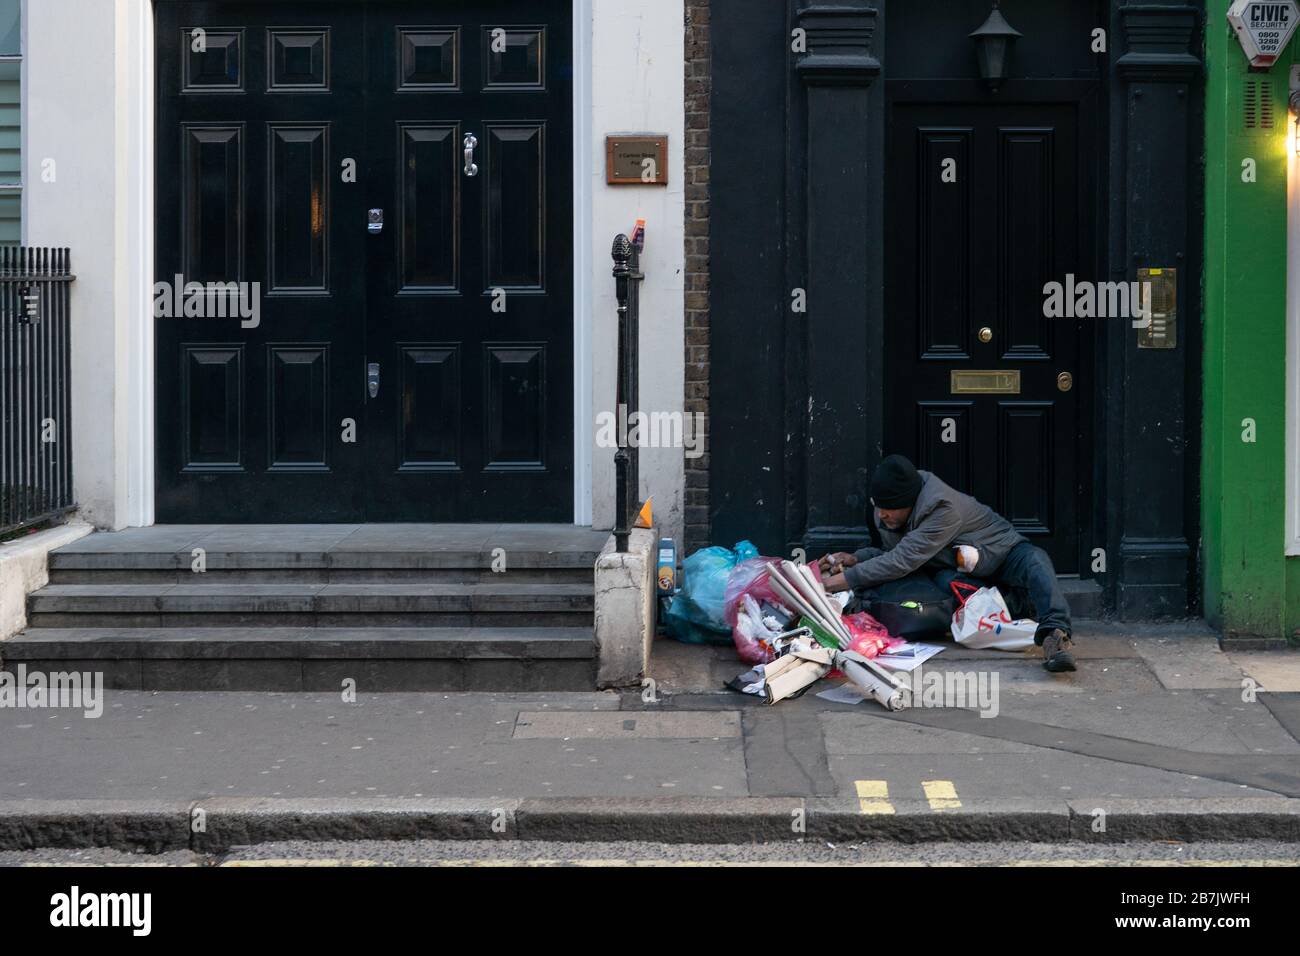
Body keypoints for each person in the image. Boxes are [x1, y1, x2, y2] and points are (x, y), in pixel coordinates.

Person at [818, 454, 1077, 673]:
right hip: (957, 569)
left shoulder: (942, 507)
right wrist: (856, 558)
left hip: (1001, 554)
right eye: (879, 506)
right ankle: (1017, 605)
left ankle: (1055, 634)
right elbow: (894, 552)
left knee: (1035, 560)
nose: (883, 514)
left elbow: (901, 560)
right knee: (946, 585)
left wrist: (828, 585)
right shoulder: (888, 513)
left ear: (911, 502)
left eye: (891, 507)